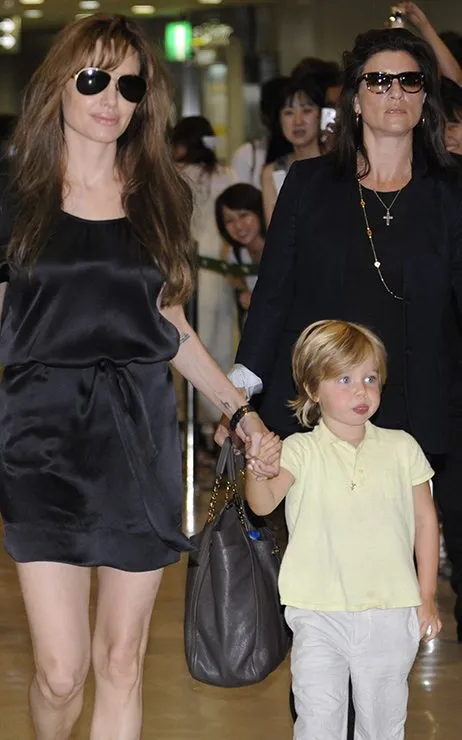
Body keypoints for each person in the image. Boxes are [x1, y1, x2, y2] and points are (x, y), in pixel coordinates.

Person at [0, 15, 278, 739]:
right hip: (39, 436)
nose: (112, 97)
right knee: (60, 671)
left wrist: (241, 409)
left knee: (122, 658)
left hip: (138, 436)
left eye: (129, 83)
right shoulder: (7, 190)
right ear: (60, 85)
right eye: (94, 78)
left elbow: (171, 328)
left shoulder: (161, 194)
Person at [228, 26, 462, 736]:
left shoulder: (453, 188)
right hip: (325, 414)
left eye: (410, 81)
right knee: (327, 584)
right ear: (354, 99)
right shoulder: (309, 185)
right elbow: (273, 294)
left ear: (426, 99)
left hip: (433, 411)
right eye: (379, 81)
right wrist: (242, 392)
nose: (395, 94)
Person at [244, 320, 441, 740]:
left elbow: (426, 522)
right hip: (316, 611)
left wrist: (425, 596)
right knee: (317, 719)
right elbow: (261, 504)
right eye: (345, 379)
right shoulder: (299, 450)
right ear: (313, 389)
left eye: (371, 378)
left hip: (390, 611)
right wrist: (257, 468)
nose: (361, 390)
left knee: (383, 725)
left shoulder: (402, 447)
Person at [171, 116, 240, 427]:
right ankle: (219, 422)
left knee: (184, 347)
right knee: (219, 347)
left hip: (180, 273)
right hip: (219, 275)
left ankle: (192, 426)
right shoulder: (228, 175)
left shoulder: (174, 176)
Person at [260, 74, 324, 223]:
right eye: (288, 113)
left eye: (307, 110)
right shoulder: (273, 172)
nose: (298, 121)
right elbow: (275, 234)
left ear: (321, 115)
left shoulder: (341, 165)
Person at [214, 183, 267, 324]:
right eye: (229, 220)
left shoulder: (284, 245)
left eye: (243, 215)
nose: (238, 226)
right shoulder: (235, 254)